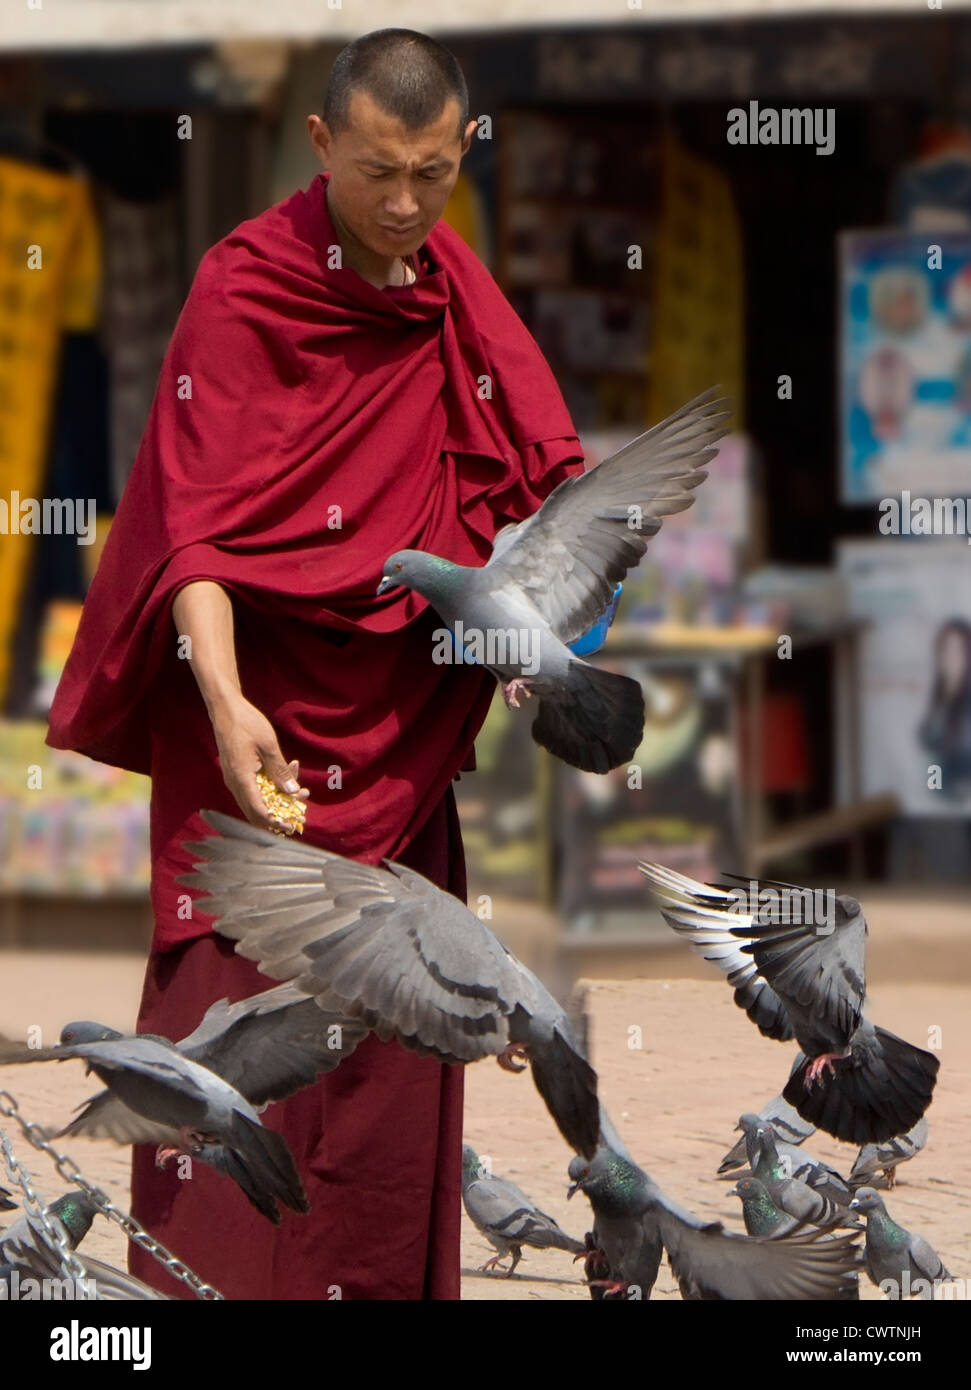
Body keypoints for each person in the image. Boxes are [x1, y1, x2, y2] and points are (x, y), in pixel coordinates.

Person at [46, 29, 584, 1299]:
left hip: (396, 773)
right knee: (223, 1103)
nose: (404, 207)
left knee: (385, 1135)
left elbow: (545, 500)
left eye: (434, 176)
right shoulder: (243, 288)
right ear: (321, 143)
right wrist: (227, 704)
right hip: (257, 773)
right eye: (379, 173)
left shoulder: (452, 291)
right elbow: (195, 532)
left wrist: (527, 641)